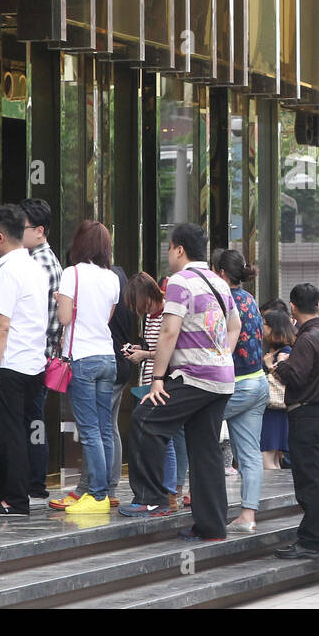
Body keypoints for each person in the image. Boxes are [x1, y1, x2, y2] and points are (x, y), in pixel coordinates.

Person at [122, 223, 239, 543]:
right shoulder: (219, 282)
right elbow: (235, 326)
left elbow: (169, 331)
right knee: (206, 450)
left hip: (194, 376)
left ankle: (152, 499)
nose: (168, 254)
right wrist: (221, 356)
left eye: (169, 248)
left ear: (179, 249)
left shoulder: (179, 281)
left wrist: (157, 379)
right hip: (221, 378)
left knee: (145, 418)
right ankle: (212, 527)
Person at [0, 203, 50, 517]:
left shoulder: (8, 270)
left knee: (9, 435)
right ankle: (17, 497)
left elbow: (1, 324)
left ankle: (13, 500)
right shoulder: (35, 267)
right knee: (20, 432)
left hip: (11, 364)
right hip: (34, 362)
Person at [52, 220, 120, 515]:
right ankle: (100, 492)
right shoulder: (112, 277)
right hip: (107, 357)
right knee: (104, 429)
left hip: (82, 358)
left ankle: (98, 495)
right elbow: (106, 318)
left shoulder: (72, 273)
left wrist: (59, 301)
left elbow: (65, 318)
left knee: (90, 431)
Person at [270, 282, 319, 559]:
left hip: (306, 415)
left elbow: (296, 377)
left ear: (293, 308)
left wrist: (279, 367)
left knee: (309, 480)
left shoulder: (307, 339)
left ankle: (311, 540)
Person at [113, 272, 181, 509]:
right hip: (148, 381)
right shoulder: (150, 317)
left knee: (165, 439)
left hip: (163, 382)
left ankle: (169, 491)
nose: (139, 310)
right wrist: (139, 349)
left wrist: (145, 354)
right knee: (155, 438)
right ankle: (164, 490)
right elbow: (153, 345)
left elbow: (171, 348)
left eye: (139, 304)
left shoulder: (168, 313)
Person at [213, 249, 269, 533]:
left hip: (236, 384)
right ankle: (248, 514)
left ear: (221, 273)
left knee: (198, 432)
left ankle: (190, 497)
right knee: (250, 454)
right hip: (258, 382)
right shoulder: (250, 299)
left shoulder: (222, 301)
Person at [20, 198, 62, 506]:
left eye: (20, 227)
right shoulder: (39, 259)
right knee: (33, 420)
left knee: (33, 421)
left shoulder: (39, 263)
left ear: (39, 230)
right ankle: (34, 483)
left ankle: (35, 484)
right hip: (41, 355)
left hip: (35, 357)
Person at [260, 311, 294, 470]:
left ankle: (270, 486)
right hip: (275, 410)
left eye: (264, 324)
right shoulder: (277, 351)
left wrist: (269, 366)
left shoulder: (284, 352)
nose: (261, 327)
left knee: (266, 457)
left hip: (274, 410)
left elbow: (285, 378)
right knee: (272, 458)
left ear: (275, 328)